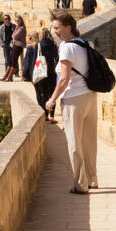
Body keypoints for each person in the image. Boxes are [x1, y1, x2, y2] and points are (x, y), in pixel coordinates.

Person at [46, 11, 97, 192]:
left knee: (74, 142)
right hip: (90, 96)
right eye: (53, 28)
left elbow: (64, 79)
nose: (55, 32)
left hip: (74, 98)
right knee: (89, 141)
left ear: (68, 27)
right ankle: (91, 179)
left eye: (57, 28)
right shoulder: (85, 43)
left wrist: (52, 100)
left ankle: (80, 184)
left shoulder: (67, 47)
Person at [32, 28, 59, 121]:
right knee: (51, 94)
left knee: (42, 94)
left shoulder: (38, 45)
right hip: (52, 71)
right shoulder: (54, 45)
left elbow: (34, 61)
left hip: (41, 72)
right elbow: (56, 57)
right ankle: (52, 115)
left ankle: (45, 115)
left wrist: (32, 75)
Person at [2, 15, 25, 82]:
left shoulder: (21, 28)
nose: (17, 22)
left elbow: (14, 36)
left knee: (14, 60)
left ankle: (9, 76)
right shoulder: (17, 27)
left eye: (18, 20)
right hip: (14, 45)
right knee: (10, 60)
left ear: (21, 21)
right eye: (15, 20)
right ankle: (6, 75)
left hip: (19, 46)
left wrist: (13, 36)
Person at [0, 14, 14, 81]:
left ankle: (16, 73)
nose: (7, 20)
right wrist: (2, 44)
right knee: (7, 60)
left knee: (13, 60)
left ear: (10, 19)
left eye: (8, 18)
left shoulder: (14, 26)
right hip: (5, 45)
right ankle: (6, 73)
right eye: (5, 19)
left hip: (12, 45)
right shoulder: (1, 27)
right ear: (3, 20)